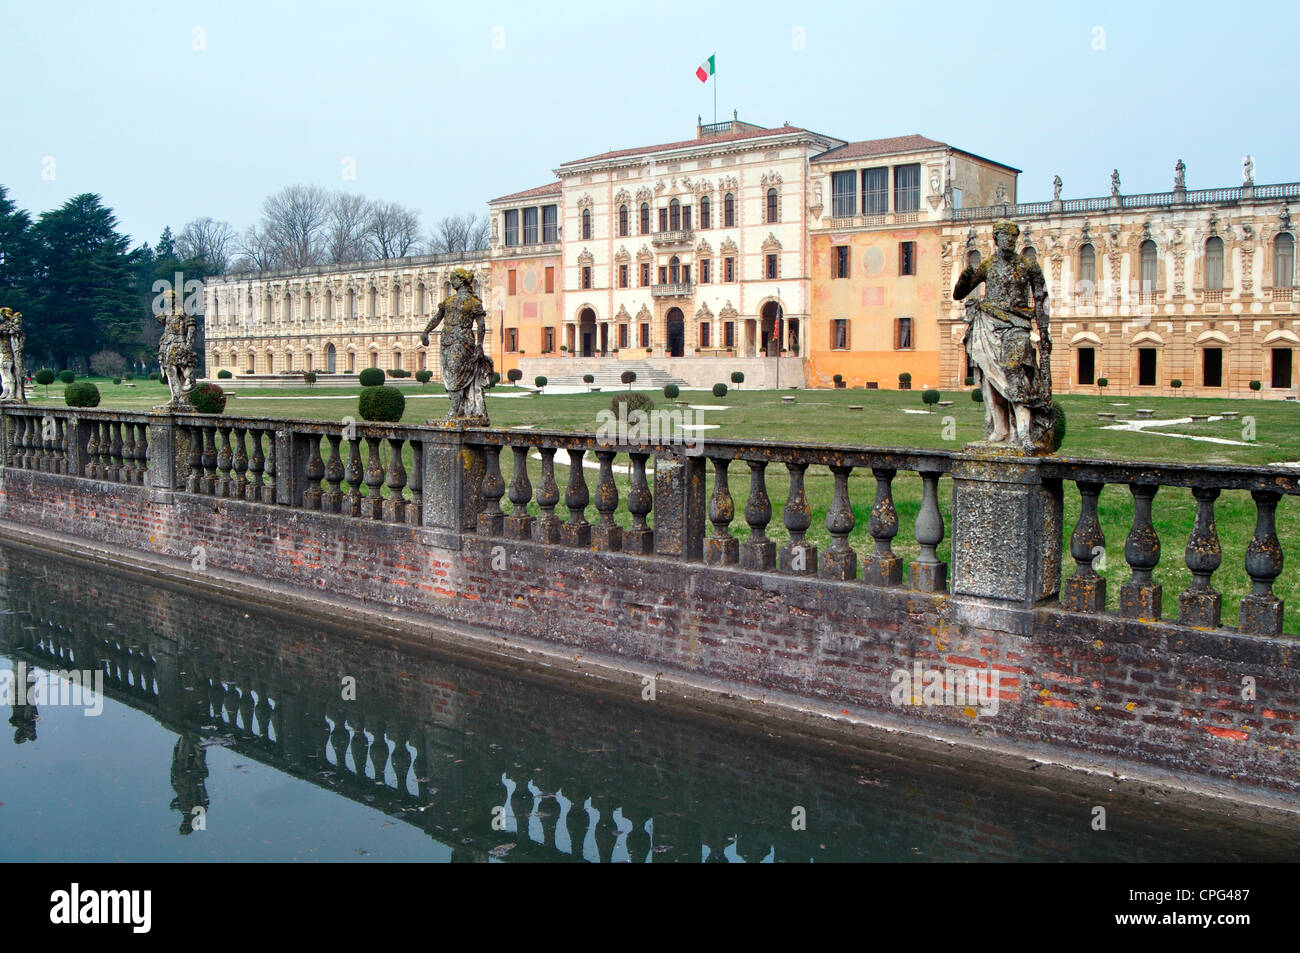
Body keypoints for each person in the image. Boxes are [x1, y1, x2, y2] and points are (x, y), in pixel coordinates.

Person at [953, 221, 1054, 451]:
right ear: (996, 239)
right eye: (1004, 236)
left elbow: (1041, 299)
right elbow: (959, 294)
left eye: (1012, 237)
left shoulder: (1028, 266)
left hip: (1017, 325)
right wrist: (963, 279)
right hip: (989, 324)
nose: (1009, 240)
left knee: (1015, 373)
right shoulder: (988, 265)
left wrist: (1044, 331)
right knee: (990, 379)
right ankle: (1001, 429)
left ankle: (1024, 434)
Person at [420, 268, 494, 421]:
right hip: (447, 341)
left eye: (454, 278)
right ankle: (459, 408)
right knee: (448, 375)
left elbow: (481, 326)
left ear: (461, 281)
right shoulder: (449, 301)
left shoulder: (474, 302)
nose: (452, 281)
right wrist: (425, 331)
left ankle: (454, 411)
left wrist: (480, 344)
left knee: (456, 376)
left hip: (462, 342)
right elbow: (437, 318)